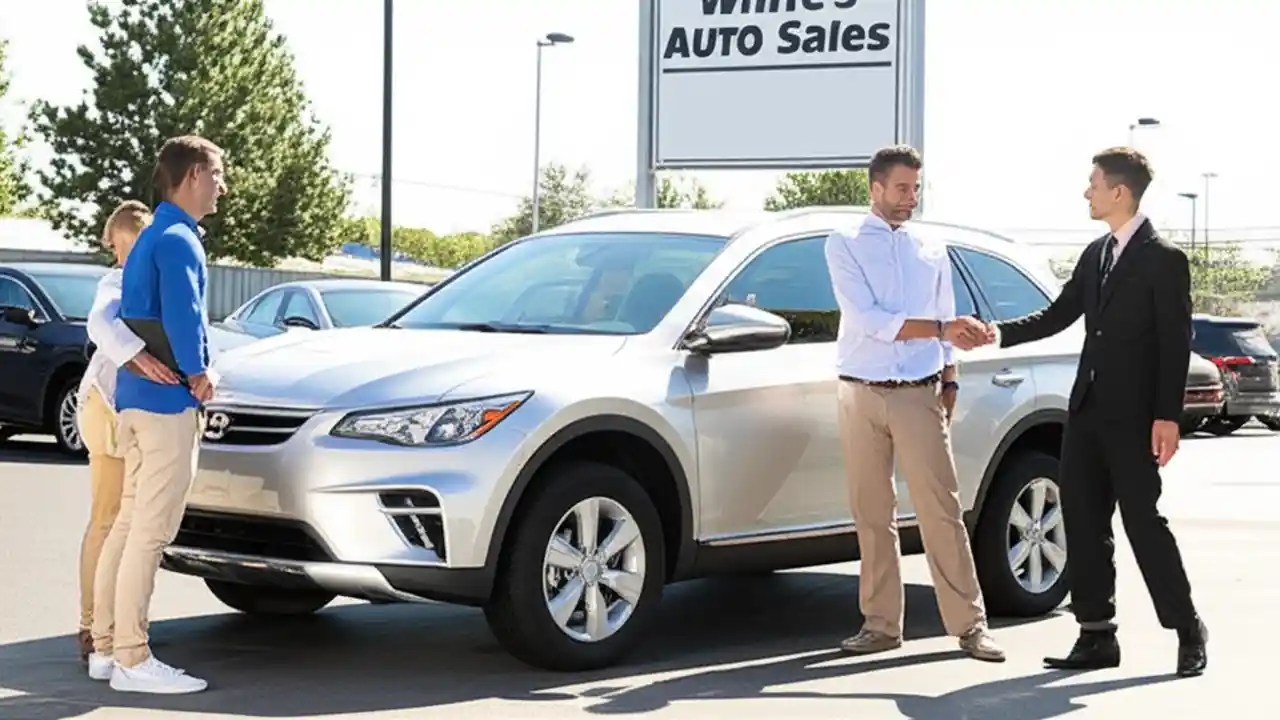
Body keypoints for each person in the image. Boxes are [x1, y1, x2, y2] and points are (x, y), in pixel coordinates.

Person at [989, 147, 1207, 677]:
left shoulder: (1164, 259)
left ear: (1119, 191)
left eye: (1093, 183)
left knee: (1143, 523)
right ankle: (1095, 636)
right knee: (1083, 523)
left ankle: (1187, 629)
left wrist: (1167, 417)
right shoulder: (1095, 254)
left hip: (1136, 419)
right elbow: (1059, 314)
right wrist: (995, 333)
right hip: (1085, 413)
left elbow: (1176, 343)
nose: (1086, 192)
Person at [824, 145, 1004, 662]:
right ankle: (881, 625)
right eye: (902, 188)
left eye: (916, 188)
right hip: (860, 391)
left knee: (941, 508)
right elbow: (868, 319)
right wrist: (945, 330)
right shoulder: (845, 243)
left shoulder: (931, 245)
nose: (911, 198)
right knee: (872, 512)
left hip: (919, 392)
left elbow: (945, 312)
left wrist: (950, 377)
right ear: (875, 188)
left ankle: (970, 626)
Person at [89, 135, 225, 694]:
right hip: (168, 406)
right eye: (217, 174)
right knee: (150, 534)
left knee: (127, 525)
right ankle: (132, 658)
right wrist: (202, 372)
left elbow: (121, 317)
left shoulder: (149, 238)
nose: (222, 186)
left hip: (133, 403)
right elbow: (185, 314)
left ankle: (103, 648)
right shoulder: (178, 240)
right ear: (193, 175)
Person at [75, 200, 180, 664]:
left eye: (131, 247)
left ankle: (105, 627)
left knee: (121, 518)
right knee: (111, 517)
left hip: (120, 407)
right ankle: (93, 625)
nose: (125, 257)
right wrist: (140, 356)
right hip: (106, 405)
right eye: (120, 248)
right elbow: (100, 324)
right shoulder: (118, 282)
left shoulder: (143, 279)